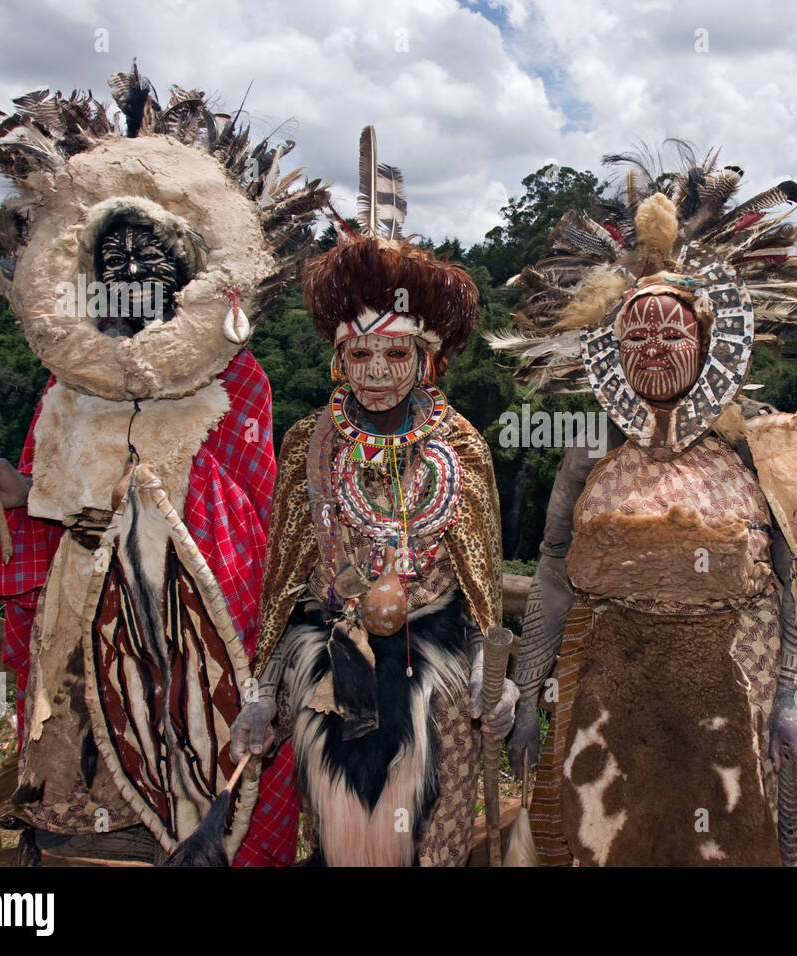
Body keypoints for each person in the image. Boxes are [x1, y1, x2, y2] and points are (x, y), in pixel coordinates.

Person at [0, 66, 326, 864]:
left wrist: (123, 502)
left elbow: (248, 517)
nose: (131, 277)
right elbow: (40, 500)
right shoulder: (66, 389)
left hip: (188, 620)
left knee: (196, 773)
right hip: (83, 611)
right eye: (114, 262)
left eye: (148, 262)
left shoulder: (238, 381)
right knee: (90, 765)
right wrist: (11, 494)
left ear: (183, 272)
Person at [492, 144, 797, 865]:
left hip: (736, 703)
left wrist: (792, 699)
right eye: (635, 336)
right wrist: (528, 691)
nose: (653, 351)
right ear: (610, 351)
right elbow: (556, 571)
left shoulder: (763, 445)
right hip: (607, 701)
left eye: (672, 333)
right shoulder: (591, 450)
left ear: (710, 339)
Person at [230, 129, 516, 866]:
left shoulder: (464, 446)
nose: (378, 370)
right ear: (338, 357)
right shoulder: (309, 444)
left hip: (438, 690)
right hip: (335, 683)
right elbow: (285, 574)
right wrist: (263, 689)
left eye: (398, 353)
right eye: (362, 352)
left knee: (436, 842)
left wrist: (490, 673)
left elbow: (484, 585)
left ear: (430, 359)